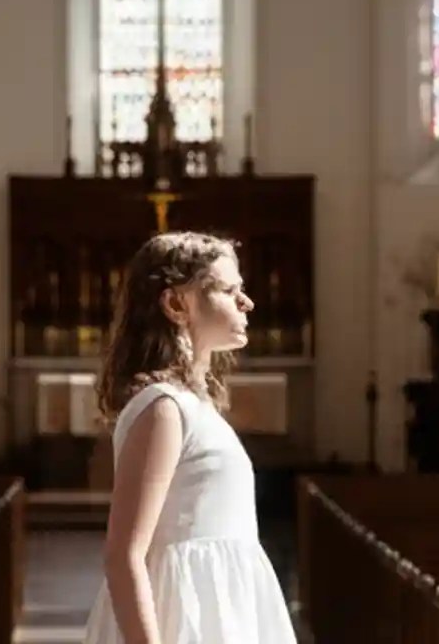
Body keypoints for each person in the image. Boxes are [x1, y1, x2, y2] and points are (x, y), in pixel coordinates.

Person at [83, 232, 298, 643]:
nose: (246, 302)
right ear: (177, 303)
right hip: (180, 616)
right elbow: (123, 556)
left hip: (218, 610)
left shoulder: (193, 406)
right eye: (229, 289)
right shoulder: (163, 408)